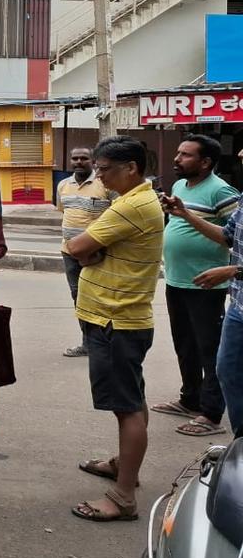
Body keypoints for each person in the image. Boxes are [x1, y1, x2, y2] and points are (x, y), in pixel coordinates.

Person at [63, 137, 164, 522]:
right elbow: (85, 248)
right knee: (132, 399)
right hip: (117, 317)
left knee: (126, 408)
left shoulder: (133, 205)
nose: (99, 176)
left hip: (116, 318)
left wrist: (87, 252)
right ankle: (126, 466)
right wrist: (90, 252)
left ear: (132, 169)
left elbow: (77, 246)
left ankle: (123, 497)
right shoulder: (129, 200)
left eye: (105, 169)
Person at [150, 136, 238, 437]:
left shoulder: (222, 191)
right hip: (176, 279)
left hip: (207, 284)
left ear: (205, 162)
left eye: (186, 155)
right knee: (185, 345)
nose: (177, 158)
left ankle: (211, 413)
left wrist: (186, 214)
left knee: (210, 350)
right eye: (178, 153)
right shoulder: (178, 187)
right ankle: (190, 399)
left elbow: (232, 237)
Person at [56, 147, 116, 358]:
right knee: (78, 297)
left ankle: (105, 342)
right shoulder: (63, 185)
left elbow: (115, 215)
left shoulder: (105, 185)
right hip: (69, 252)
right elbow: (64, 212)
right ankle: (88, 343)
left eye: (84, 158)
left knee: (100, 297)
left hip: (96, 253)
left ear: (93, 161)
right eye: (75, 158)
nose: (79, 162)